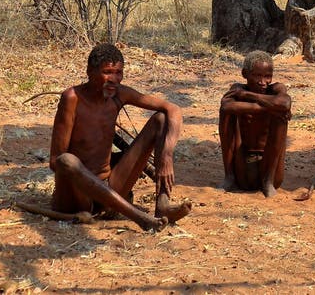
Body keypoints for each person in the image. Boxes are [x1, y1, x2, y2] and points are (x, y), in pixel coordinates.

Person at [49, 43, 192, 231]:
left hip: (109, 191)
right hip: (74, 198)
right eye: (107, 72)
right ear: (89, 72)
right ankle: (138, 218)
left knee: (160, 120)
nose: (114, 79)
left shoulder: (119, 94)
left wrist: (166, 156)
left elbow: (173, 109)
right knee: (67, 160)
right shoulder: (72, 98)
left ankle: (162, 204)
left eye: (118, 73)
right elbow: (55, 161)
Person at [219, 50, 291, 198]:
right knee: (226, 114)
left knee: (280, 117)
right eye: (257, 75)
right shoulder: (237, 89)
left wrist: (248, 96)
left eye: (267, 76)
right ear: (245, 74)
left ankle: (268, 182)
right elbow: (226, 106)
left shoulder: (276, 89)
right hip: (243, 166)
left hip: (271, 165)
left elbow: (285, 103)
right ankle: (229, 176)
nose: (263, 82)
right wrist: (269, 108)